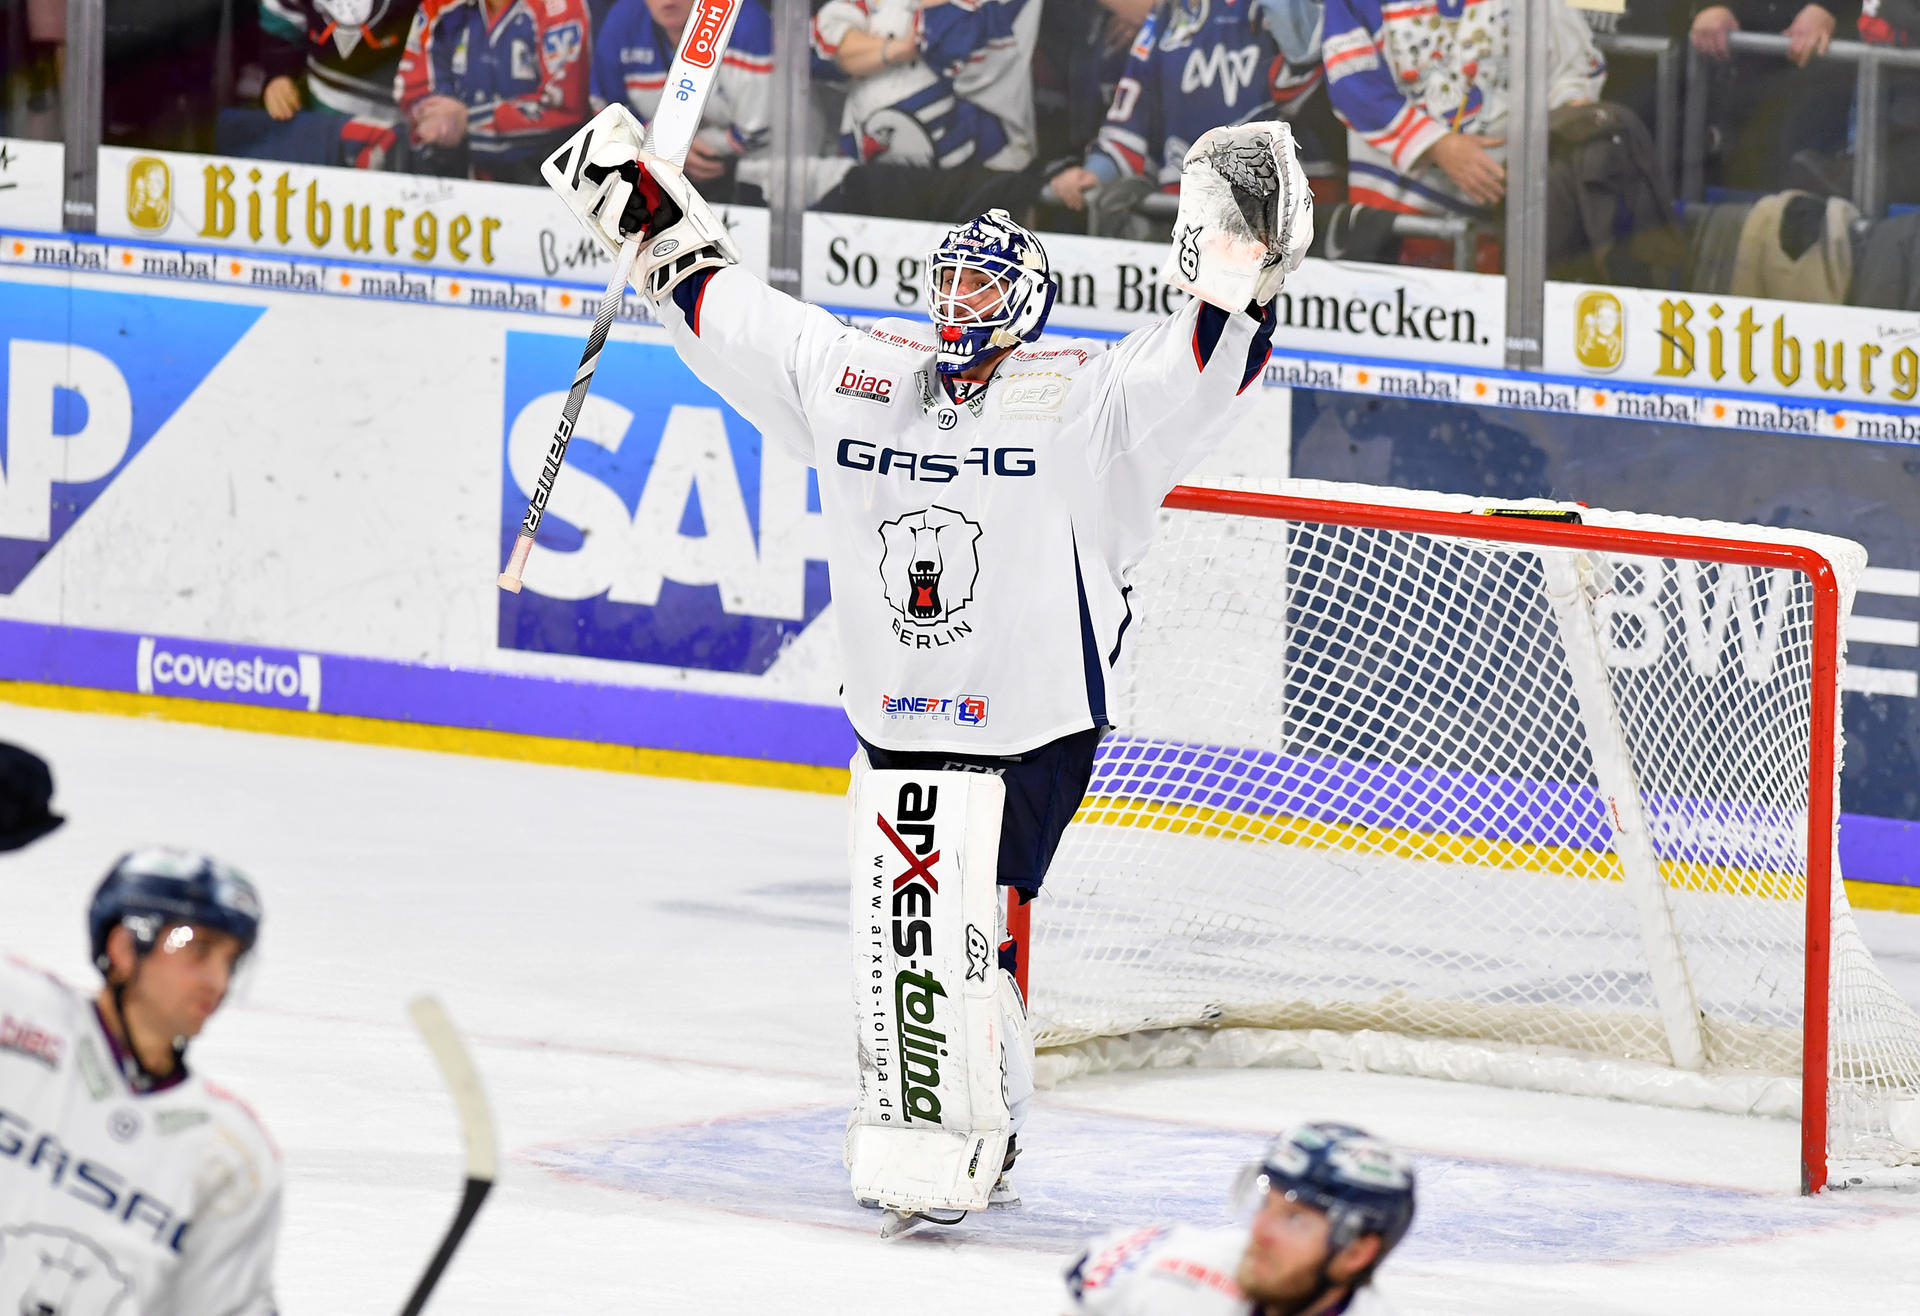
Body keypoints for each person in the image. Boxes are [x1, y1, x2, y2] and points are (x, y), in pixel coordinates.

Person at [546, 106, 1311, 1233]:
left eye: (983, 291)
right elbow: (739, 319)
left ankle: (983, 1118)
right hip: (896, 721)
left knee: (976, 923)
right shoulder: (865, 377)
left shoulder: (1084, 402)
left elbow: (1197, 362)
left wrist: (1238, 259)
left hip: (1036, 721)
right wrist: (656, 228)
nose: (960, 308)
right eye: (948, 287)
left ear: (1028, 302)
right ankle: (931, 1112)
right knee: (902, 927)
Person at [0, 848, 281, 1314]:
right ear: (125, 948)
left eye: (232, 960)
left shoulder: (231, 1154)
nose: (217, 980)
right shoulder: (17, 1023)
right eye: (198, 948)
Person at [1063, 1122, 1417, 1316]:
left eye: (1294, 1220)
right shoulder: (1165, 1269)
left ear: (1356, 1252)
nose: (1260, 1232)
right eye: (1266, 1206)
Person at [1320, 0, 1604, 223]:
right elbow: (1351, 77)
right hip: (1395, 215)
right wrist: (1436, 145)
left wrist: (1559, 130)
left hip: (1512, 210)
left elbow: (1575, 71)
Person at [590, 0, 773, 200]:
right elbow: (605, 109)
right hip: (655, 170)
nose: (668, 1)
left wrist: (677, 151)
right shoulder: (623, 20)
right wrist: (660, 143)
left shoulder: (748, 24)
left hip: (753, 172)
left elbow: (758, 130)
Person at [394, 0, 591, 182]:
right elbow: (415, 97)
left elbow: (566, 109)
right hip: (457, 187)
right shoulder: (440, 6)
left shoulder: (561, 6)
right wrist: (436, 120)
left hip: (548, 187)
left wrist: (467, 122)